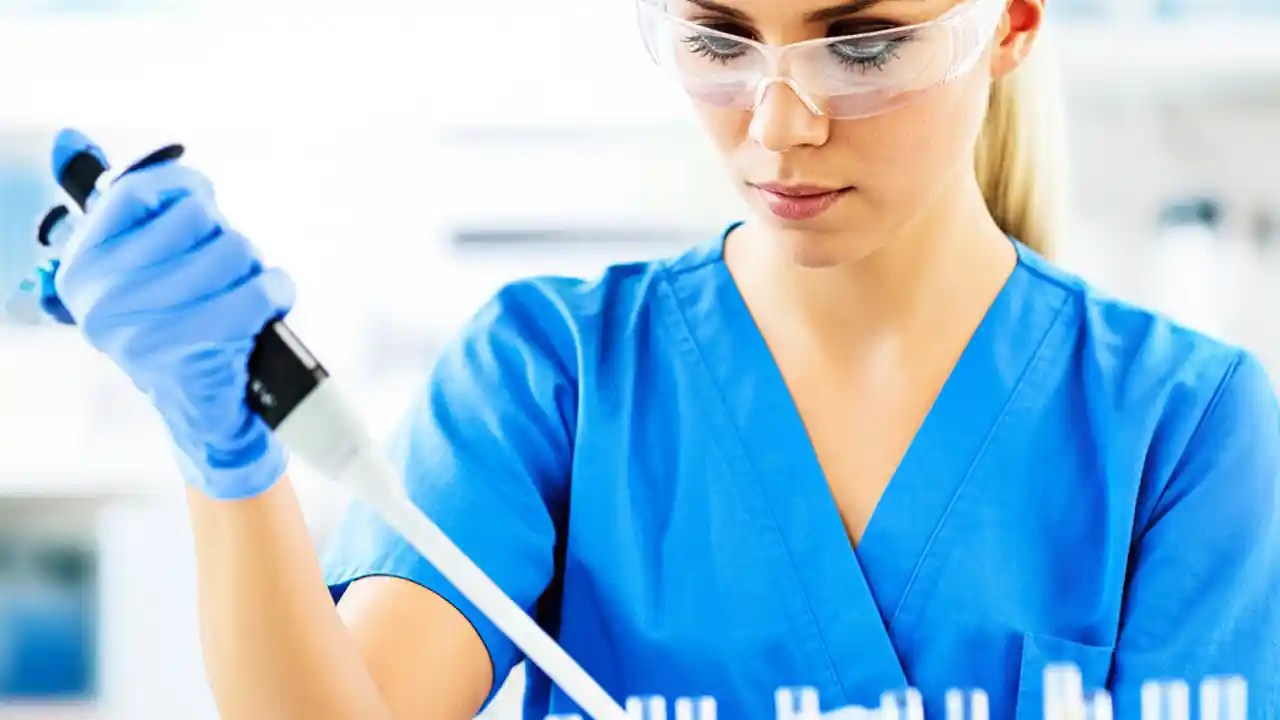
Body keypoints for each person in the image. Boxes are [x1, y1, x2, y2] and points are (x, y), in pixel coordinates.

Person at [47, 0, 1280, 717]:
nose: (778, 125)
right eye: (718, 40)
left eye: (859, 49)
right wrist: (224, 446)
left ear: (1008, 24)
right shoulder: (550, 377)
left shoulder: (1182, 426)